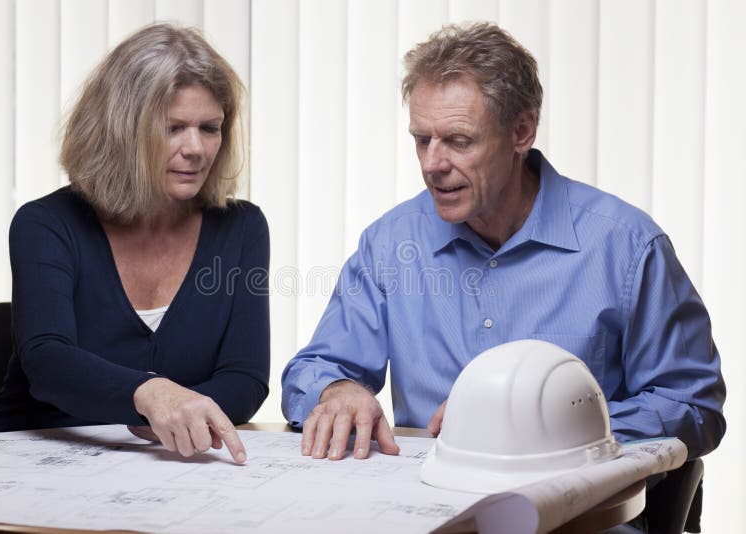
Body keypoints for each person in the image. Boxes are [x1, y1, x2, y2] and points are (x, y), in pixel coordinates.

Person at [281, 22, 725, 463]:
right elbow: (311, 372)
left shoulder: (626, 247)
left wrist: (551, 423)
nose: (433, 164)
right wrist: (337, 391)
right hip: (430, 512)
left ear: (521, 133)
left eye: (459, 141)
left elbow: (693, 405)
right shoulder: (389, 244)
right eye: (421, 141)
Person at [0, 23, 269, 464]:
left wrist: (180, 415)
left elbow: (245, 377)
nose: (196, 148)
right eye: (173, 128)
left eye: (209, 128)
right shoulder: (46, 224)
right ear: (123, 131)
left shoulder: (242, 228)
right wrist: (149, 394)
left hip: (166, 467)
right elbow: (48, 360)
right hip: (31, 458)